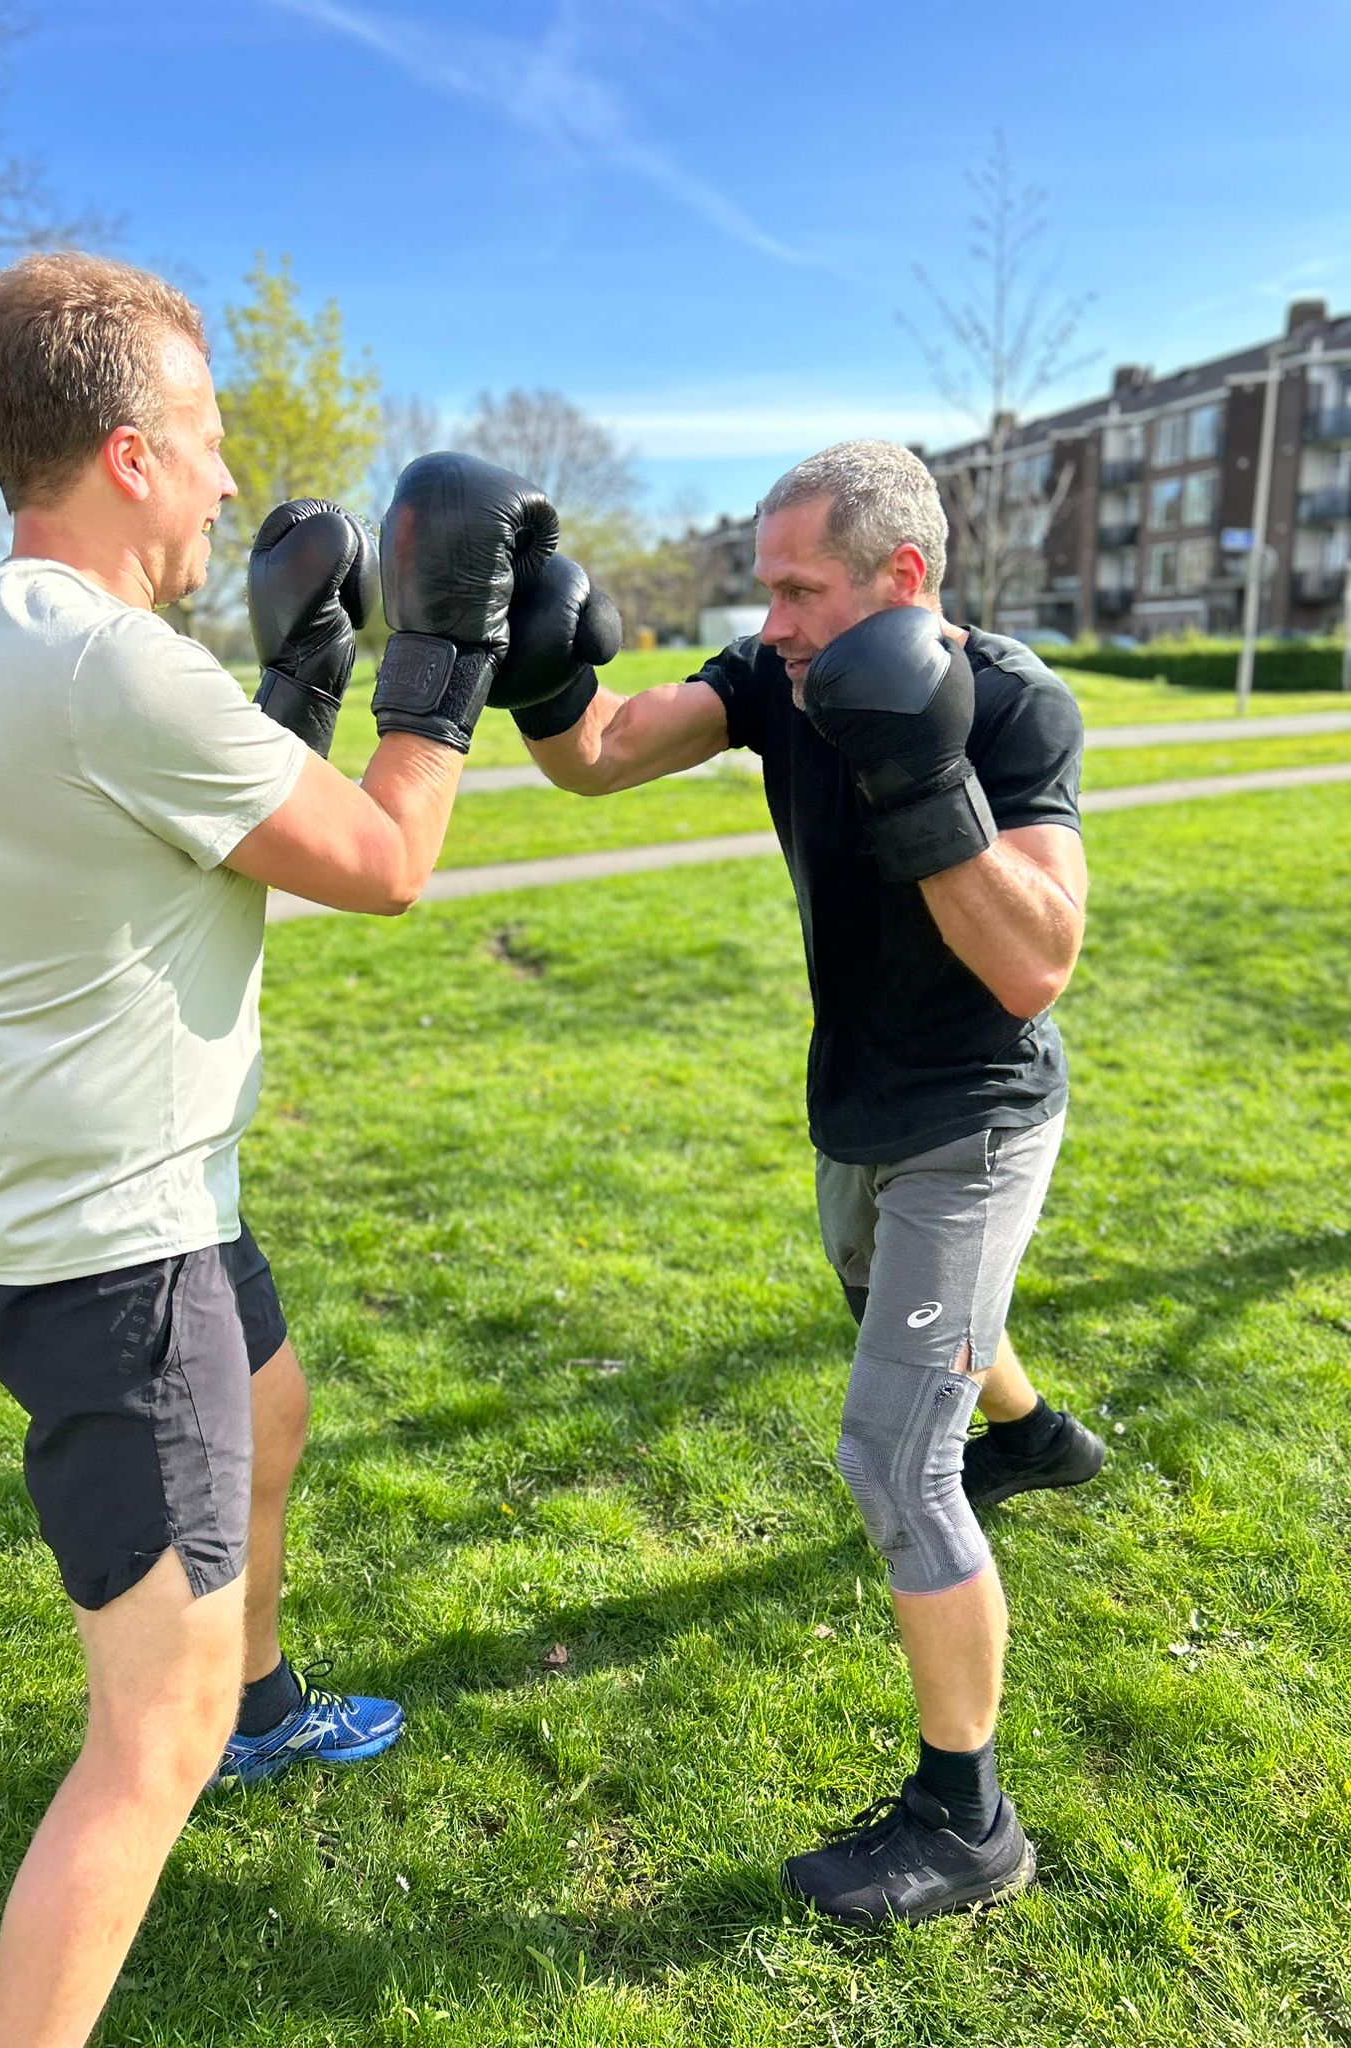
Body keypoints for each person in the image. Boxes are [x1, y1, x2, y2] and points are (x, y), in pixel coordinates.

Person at [0, 249, 557, 2046]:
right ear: (123, 454)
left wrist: (308, 671)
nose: (219, 475)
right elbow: (384, 862)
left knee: (272, 1408)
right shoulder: (110, 669)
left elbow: (201, 831)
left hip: (122, 1197)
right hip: (124, 1256)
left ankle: (263, 1698)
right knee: (144, 1746)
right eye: (197, 437)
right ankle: (217, 1724)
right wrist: (441, 652)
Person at [488, 439, 1105, 1926]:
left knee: (897, 1456)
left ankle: (969, 1823)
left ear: (901, 579)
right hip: (857, 1105)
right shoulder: (777, 678)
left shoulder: (1018, 706)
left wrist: (922, 770)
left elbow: (1035, 961)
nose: (769, 620)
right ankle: (1037, 1439)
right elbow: (596, 760)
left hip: (976, 1110)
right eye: (765, 588)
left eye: (798, 589)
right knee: (895, 1311)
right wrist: (525, 663)